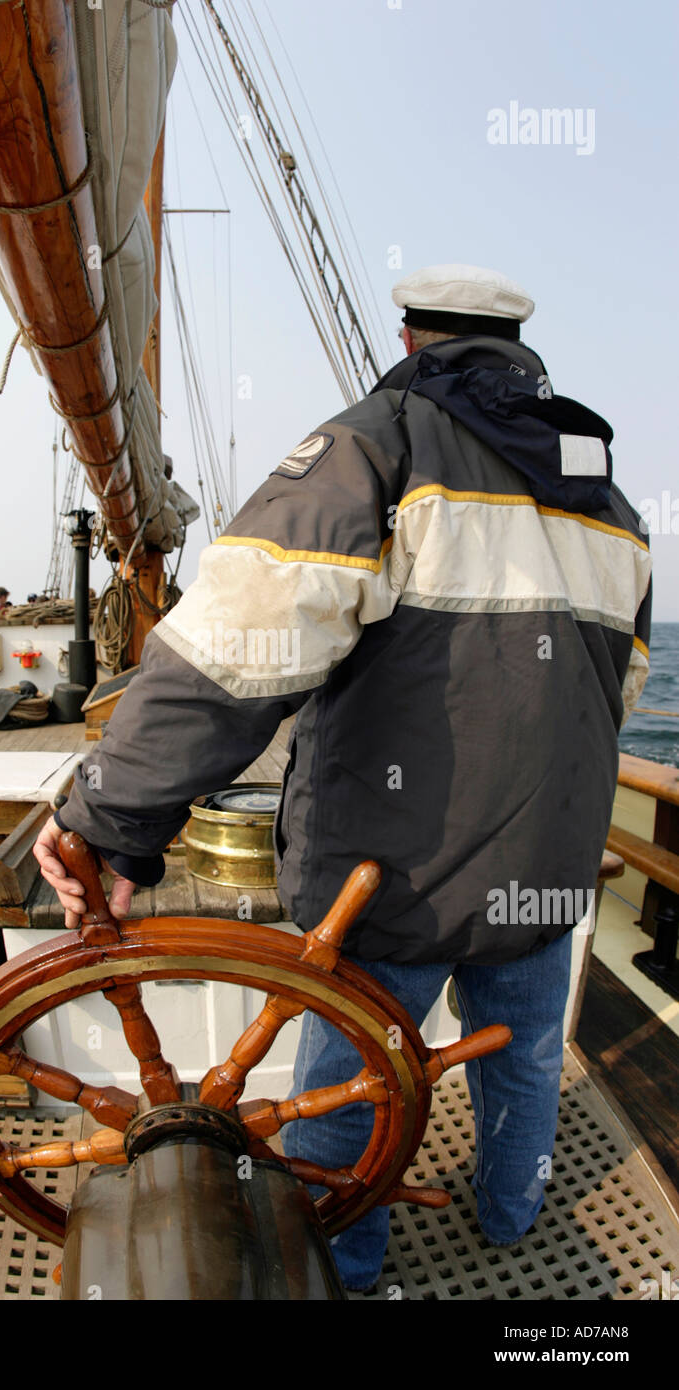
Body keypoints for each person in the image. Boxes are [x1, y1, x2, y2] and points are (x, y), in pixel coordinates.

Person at [33, 264, 652, 1291]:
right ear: (522, 358)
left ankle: (344, 1258)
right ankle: (509, 1218)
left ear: (411, 341)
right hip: (544, 875)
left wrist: (107, 815)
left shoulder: (376, 445)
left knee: (353, 1082)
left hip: (389, 878)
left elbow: (235, 654)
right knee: (526, 1061)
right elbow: (613, 695)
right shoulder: (614, 504)